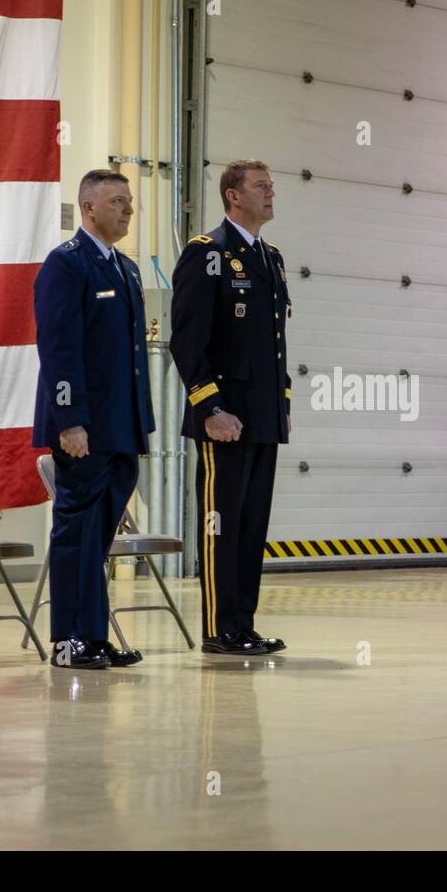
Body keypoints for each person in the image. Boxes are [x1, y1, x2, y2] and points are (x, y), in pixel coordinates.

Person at [169, 159, 291, 655]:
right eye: (262, 186)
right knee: (222, 524)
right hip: (224, 419)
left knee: (251, 524)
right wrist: (210, 407)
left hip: (261, 416)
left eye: (272, 185)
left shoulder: (271, 257)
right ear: (233, 196)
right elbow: (187, 342)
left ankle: (243, 623)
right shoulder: (208, 254)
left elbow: (273, 343)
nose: (271, 193)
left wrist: (278, 405)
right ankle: (220, 629)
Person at [33, 170, 153, 669]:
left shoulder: (125, 268)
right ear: (88, 209)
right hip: (83, 427)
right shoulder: (67, 265)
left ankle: (94, 637)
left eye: (129, 201)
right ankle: (68, 640)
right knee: (76, 532)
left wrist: (140, 420)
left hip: (120, 425)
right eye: (117, 201)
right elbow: (59, 348)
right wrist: (70, 420)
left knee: (97, 539)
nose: (128, 209)